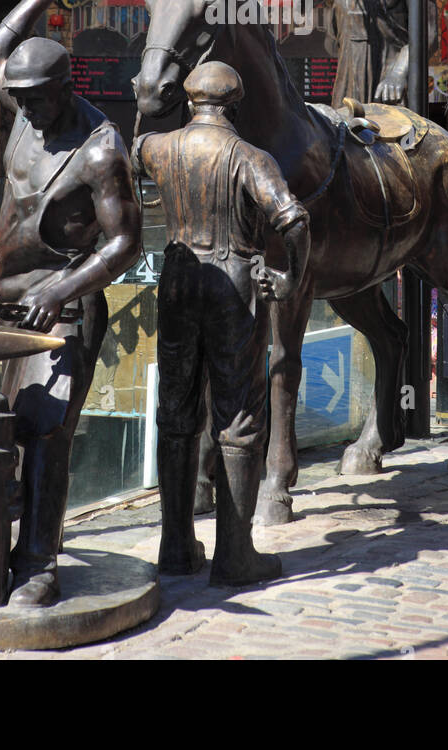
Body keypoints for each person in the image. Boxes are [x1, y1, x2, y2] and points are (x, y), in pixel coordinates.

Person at [0, 0, 141, 605]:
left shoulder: (100, 147)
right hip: (4, 302)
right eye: (21, 99)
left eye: (38, 100)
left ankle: (38, 561)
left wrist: (61, 291)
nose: (28, 111)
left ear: (64, 87)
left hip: (61, 306)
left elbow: (126, 243)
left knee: (45, 431)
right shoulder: (23, 107)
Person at [132, 61, 310, 586]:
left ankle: (176, 545)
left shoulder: (159, 148)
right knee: (237, 418)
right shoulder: (250, 157)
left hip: (180, 281)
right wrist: (289, 279)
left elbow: (131, 154)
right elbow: (293, 218)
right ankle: (235, 553)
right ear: (235, 106)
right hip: (234, 284)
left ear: (190, 103)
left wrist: (147, 105)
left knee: (176, 411)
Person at [299, 0, 438, 108]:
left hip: (389, 82)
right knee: (344, 127)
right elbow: (301, 7)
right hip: (348, 76)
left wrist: (398, 73)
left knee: (391, 128)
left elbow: (428, 34)